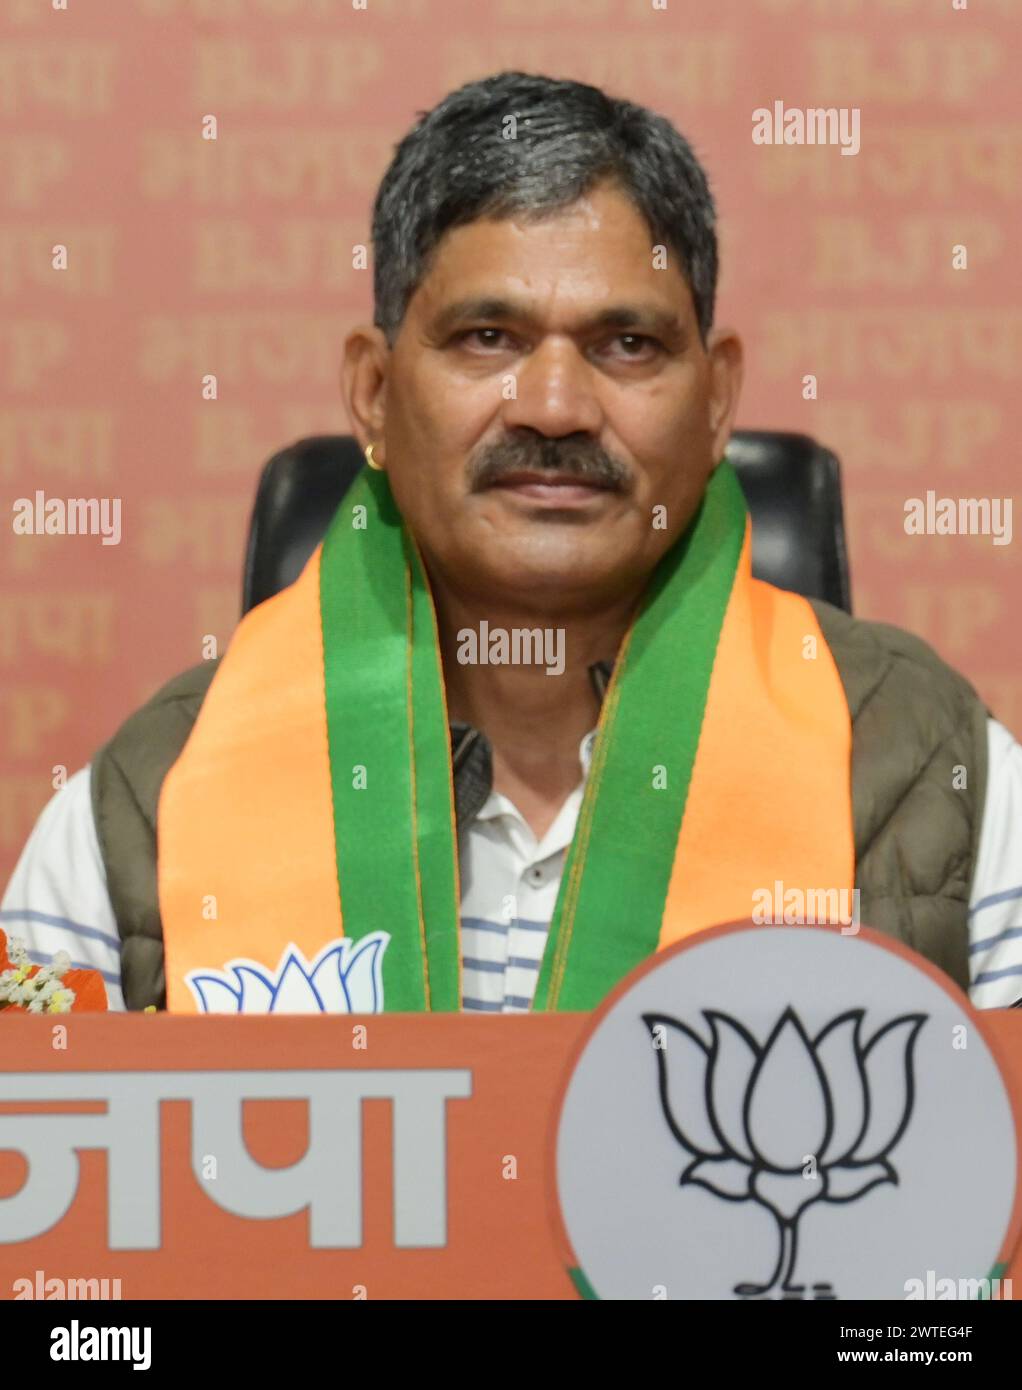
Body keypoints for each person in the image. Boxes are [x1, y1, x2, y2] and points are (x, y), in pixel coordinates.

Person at [4, 71, 1021, 1014]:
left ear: (714, 404)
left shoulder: (937, 770)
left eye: (626, 344)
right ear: (370, 391)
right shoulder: (144, 800)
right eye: (486, 338)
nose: (554, 406)